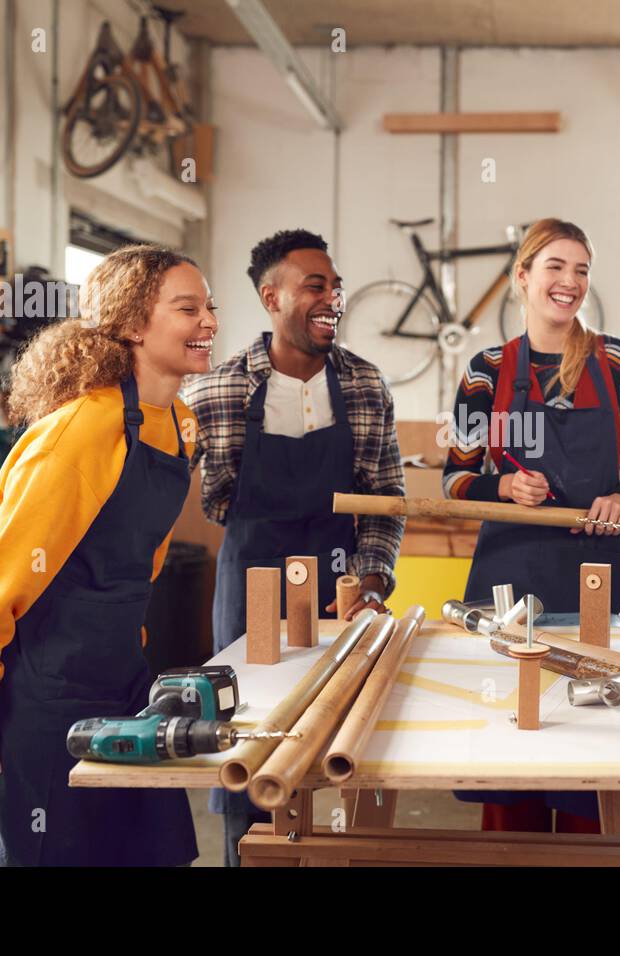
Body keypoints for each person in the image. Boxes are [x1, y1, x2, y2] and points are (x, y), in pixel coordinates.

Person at [0, 244, 216, 866]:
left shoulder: (178, 423)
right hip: (45, 691)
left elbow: (143, 559)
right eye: (188, 308)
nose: (209, 322)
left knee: (149, 852)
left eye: (210, 307)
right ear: (134, 322)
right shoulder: (80, 432)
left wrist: (127, 637)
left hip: (124, 677)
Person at [183, 228, 405, 865]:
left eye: (336, 286)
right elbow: (198, 496)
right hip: (248, 591)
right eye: (315, 286)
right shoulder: (217, 391)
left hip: (339, 593)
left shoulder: (364, 386)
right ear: (271, 297)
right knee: (245, 743)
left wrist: (369, 584)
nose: (332, 297)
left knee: (337, 749)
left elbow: (385, 498)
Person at [443, 217, 620, 833]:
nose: (570, 281)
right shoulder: (485, 371)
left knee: (592, 737)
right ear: (523, 276)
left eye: (581, 270)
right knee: (509, 750)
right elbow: (455, 479)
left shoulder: (619, 361)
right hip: (508, 582)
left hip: (593, 576)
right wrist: (504, 487)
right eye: (555, 267)